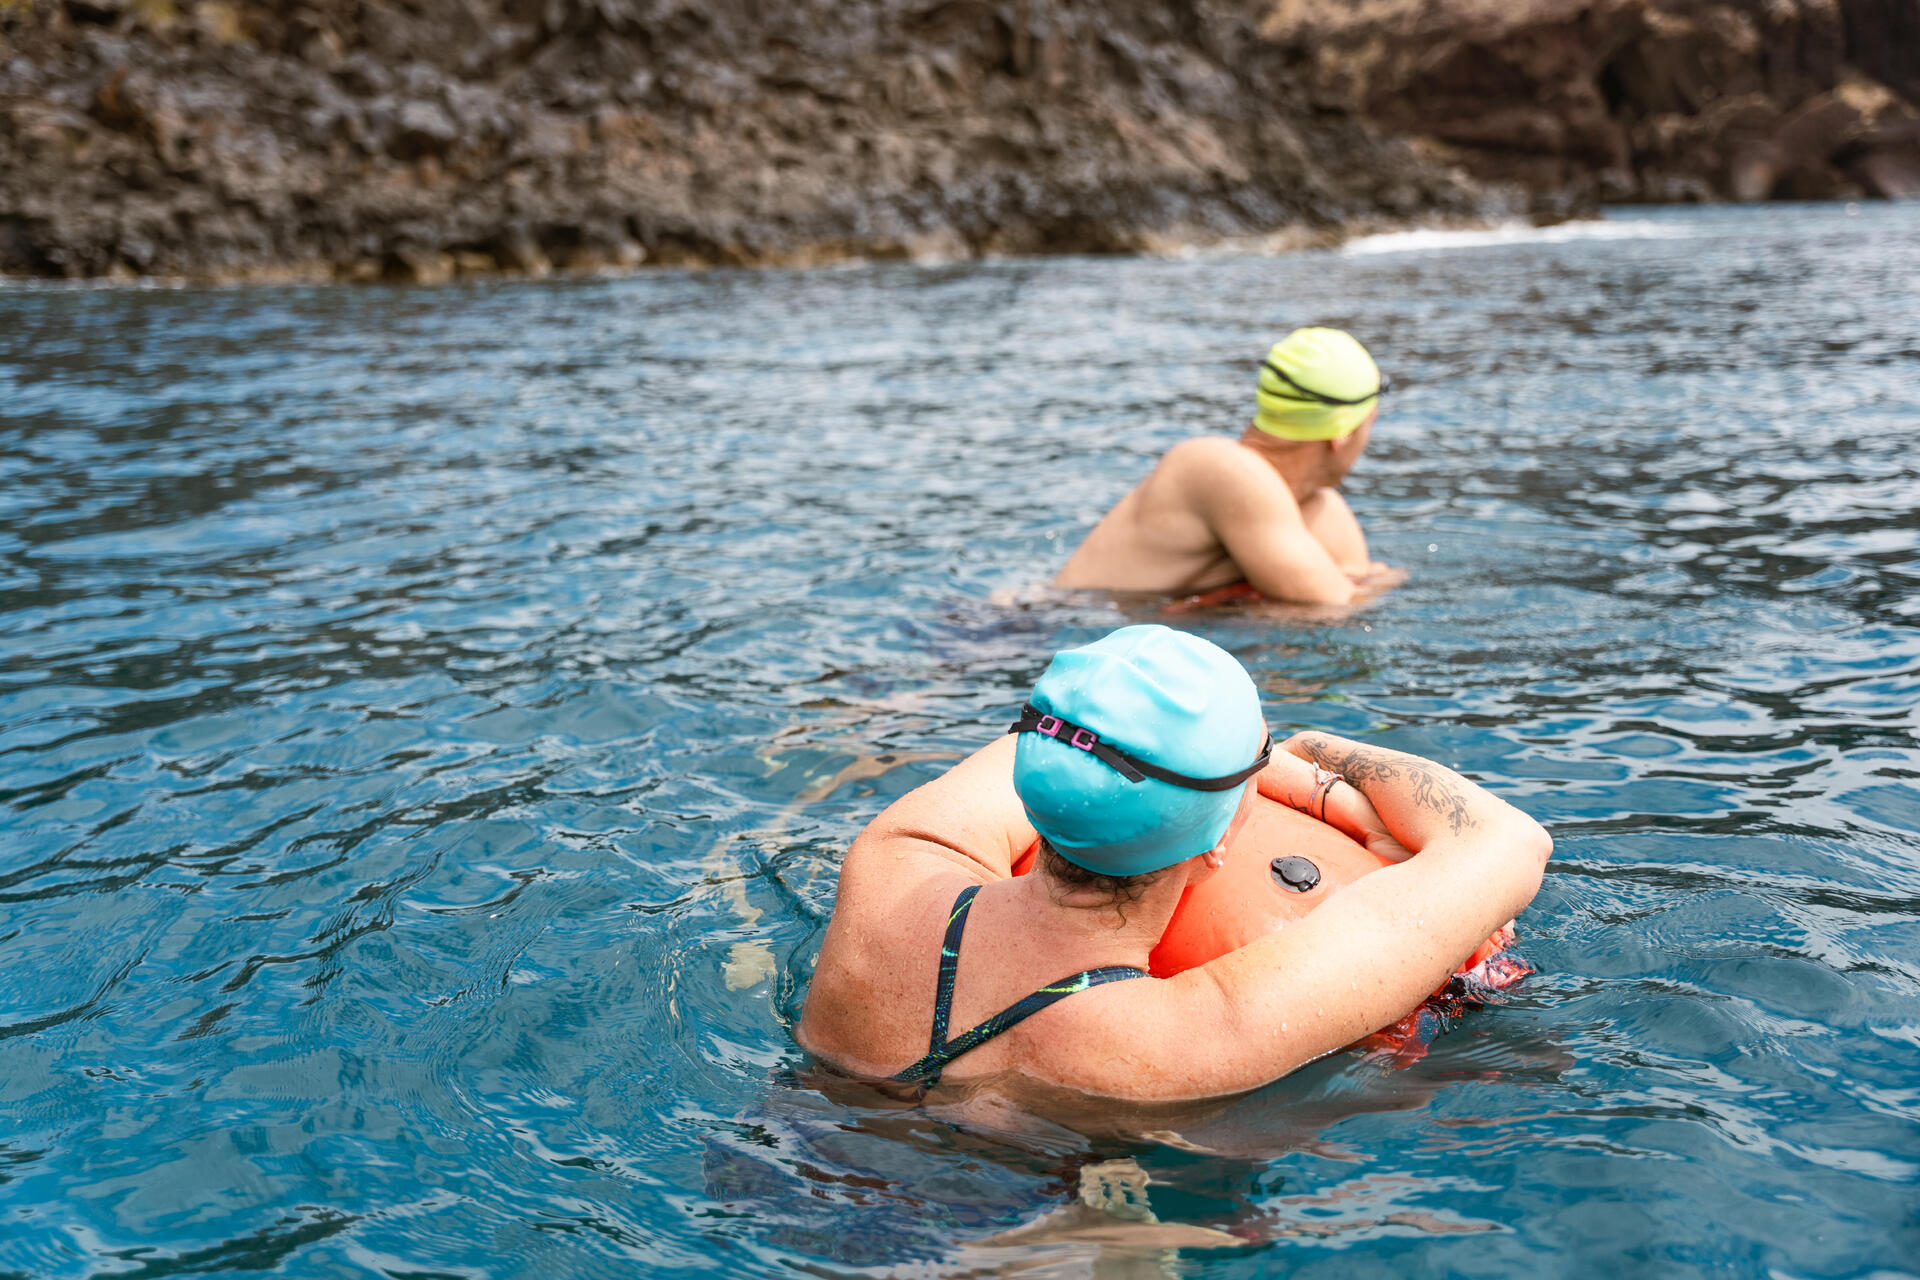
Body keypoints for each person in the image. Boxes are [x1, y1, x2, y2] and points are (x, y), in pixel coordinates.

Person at [797, 625, 1551, 1102]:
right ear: (1217, 844)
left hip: (791, 1166)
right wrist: (1320, 754)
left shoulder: (891, 866)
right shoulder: (1194, 1033)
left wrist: (1257, 765)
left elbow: (1083, 740)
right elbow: (1508, 842)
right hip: (1008, 1234)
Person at [1055, 328, 1396, 605]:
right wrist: (1389, 580)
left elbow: (1324, 612)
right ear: (1343, 434)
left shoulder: (1313, 510)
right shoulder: (1225, 468)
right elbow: (1335, 604)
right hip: (1037, 626)